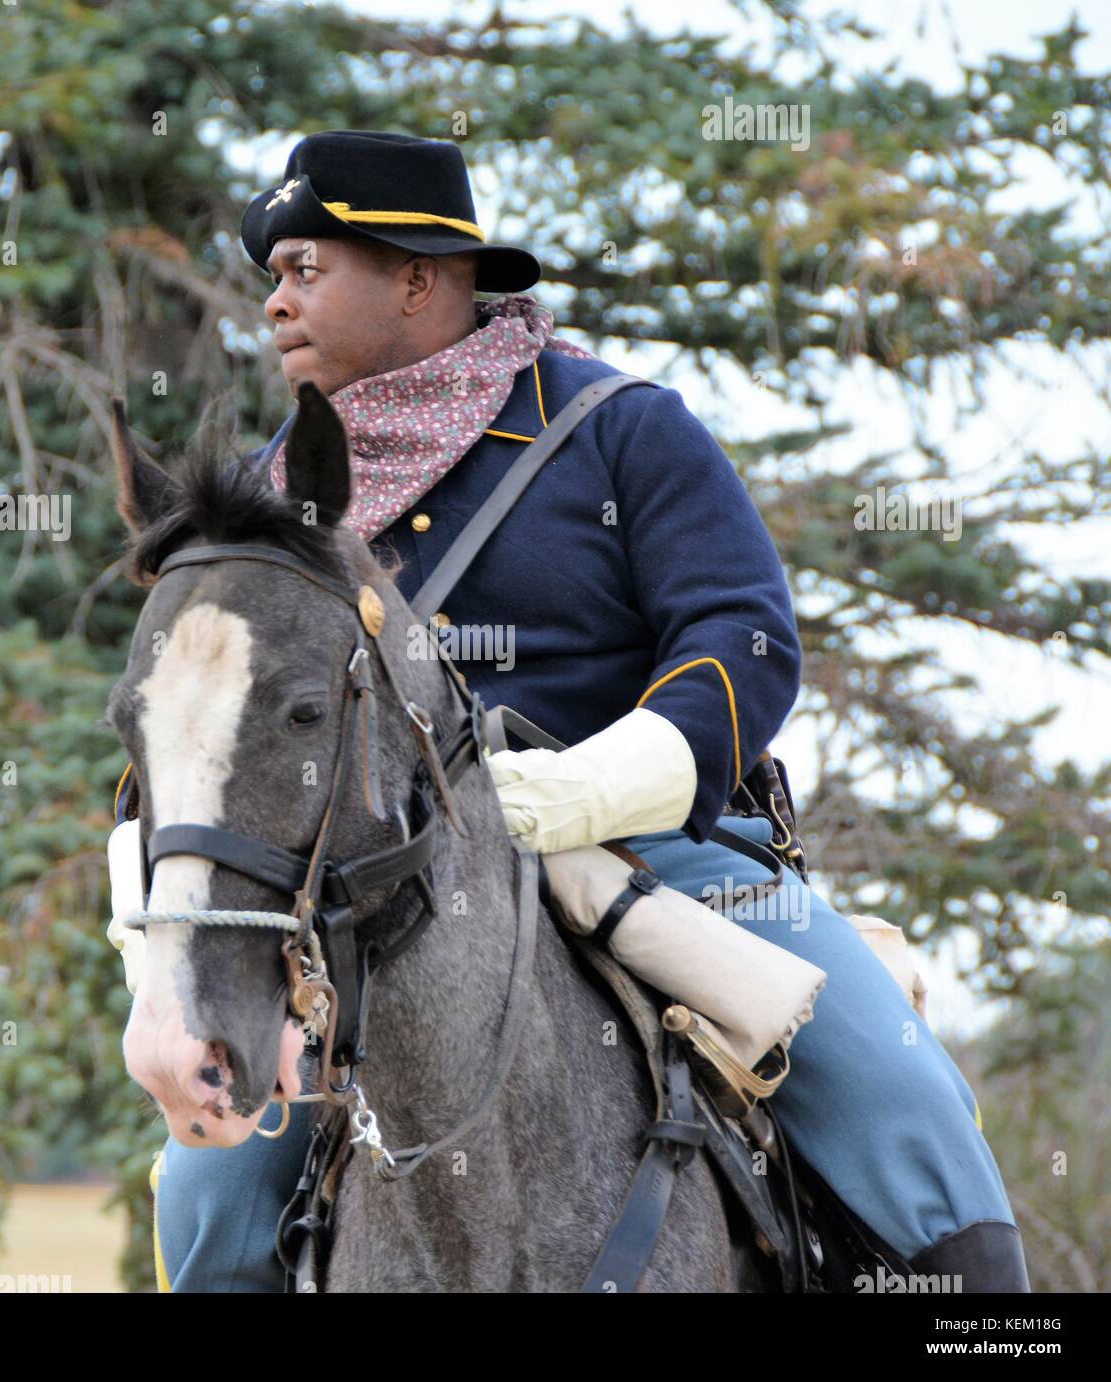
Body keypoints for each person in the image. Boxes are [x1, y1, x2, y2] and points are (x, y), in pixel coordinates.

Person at [115, 130, 1027, 1292]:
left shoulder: (620, 427)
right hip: (378, 898)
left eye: (305, 268)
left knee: (904, 1106)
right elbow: (213, 723)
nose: (277, 302)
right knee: (208, 1193)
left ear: (417, 277)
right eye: (273, 277)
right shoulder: (267, 495)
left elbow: (742, 639)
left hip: (657, 853)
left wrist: (600, 781)